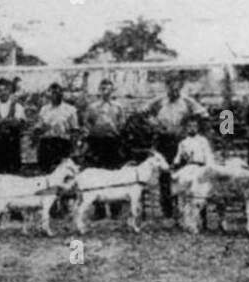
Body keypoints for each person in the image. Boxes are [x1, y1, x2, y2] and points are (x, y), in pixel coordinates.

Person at [143, 79, 207, 218]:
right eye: (171, 89)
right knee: (165, 175)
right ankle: (167, 210)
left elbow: (204, 114)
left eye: (177, 89)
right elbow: (143, 111)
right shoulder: (159, 101)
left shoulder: (187, 102)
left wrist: (190, 125)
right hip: (163, 141)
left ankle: (182, 207)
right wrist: (154, 124)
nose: (174, 91)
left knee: (182, 173)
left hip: (181, 141)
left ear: (180, 88)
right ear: (167, 88)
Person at [84, 79, 129, 168]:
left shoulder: (118, 106)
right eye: (103, 89)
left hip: (112, 141)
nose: (106, 92)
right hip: (96, 141)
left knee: (112, 167)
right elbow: (86, 122)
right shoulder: (92, 107)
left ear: (112, 91)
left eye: (109, 89)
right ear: (99, 90)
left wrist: (116, 131)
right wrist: (93, 130)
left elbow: (122, 122)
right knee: (95, 168)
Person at [0, 78, 26, 174]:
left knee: (13, 174)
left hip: (12, 146)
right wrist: (9, 121)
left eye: (5, 90)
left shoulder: (17, 106)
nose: (3, 93)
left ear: (10, 91)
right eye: (0, 90)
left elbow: (17, 122)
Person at [36, 83, 79, 172]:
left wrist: (73, 147)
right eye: (52, 93)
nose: (55, 95)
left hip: (62, 144)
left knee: (62, 172)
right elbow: (39, 127)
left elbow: (75, 129)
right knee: (46, 170)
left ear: (62, 94)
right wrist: (39, 130)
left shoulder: (70, 109)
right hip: (47, 143)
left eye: (57, 92)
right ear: (49, 94)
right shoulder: (44, 109)